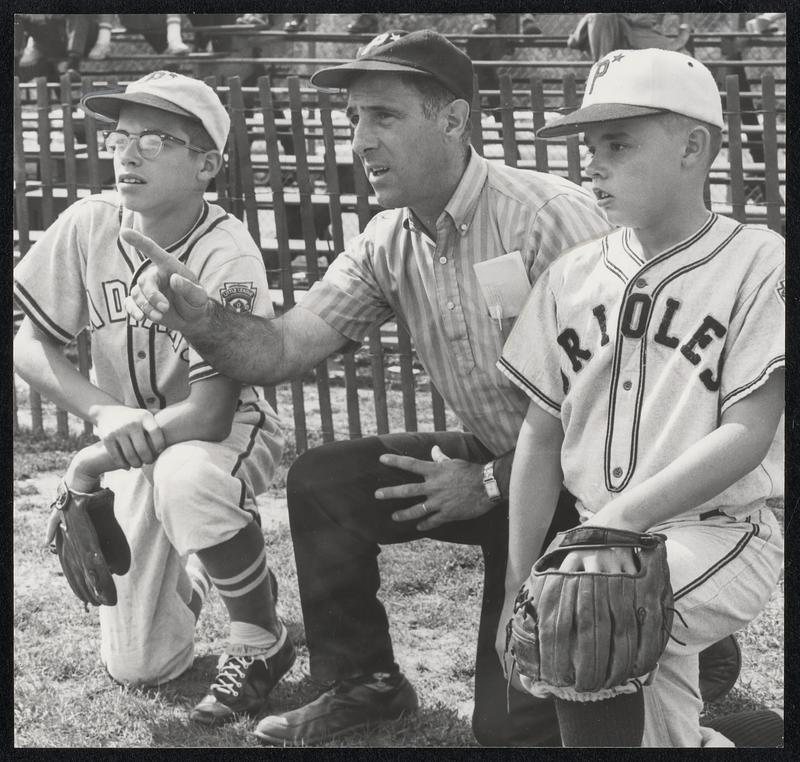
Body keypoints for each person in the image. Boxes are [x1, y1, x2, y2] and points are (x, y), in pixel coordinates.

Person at [124, 31, 741, 747]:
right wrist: (203, 320)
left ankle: (673, 637)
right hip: (504, 466)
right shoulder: (388, 239)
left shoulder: (545, 218)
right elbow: (283, 348)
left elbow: (626, 414)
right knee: (324, 482)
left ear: (452, 120)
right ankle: (364, 683)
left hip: (595, 491)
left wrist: (489, 480)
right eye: (354, 118)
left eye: (384, 116)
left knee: (511, 733)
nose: (360, 140)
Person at [495, 48, 784, 747]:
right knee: (660, 730)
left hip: (718, 532)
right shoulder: (571, 276)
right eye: (590, 148)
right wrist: (516, 581)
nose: (594, 165)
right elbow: (540, 434)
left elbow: (748, 431)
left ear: (694, 147)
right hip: (601, 539)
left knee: (589, 606)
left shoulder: (758, 260)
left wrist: (611, 529)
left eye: (619, 144)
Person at [12, 71, 293, 727]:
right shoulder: (88, 223)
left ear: (206, 165)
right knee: (141, 665)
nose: (127, 153)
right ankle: (206, 573)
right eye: (120, 137)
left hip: (223, 434)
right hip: (132, 437)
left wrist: (89, 462)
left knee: (186, 477)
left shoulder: (227, 252)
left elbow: (210, 414)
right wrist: (102, 413)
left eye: (155, 140)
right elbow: (28, 343)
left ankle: (260, 637)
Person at [568, 13, 692, 61]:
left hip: (646, 33)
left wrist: (682, 37)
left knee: (684, 58)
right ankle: (602, 74)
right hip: (613, 29)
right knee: (601, 16)